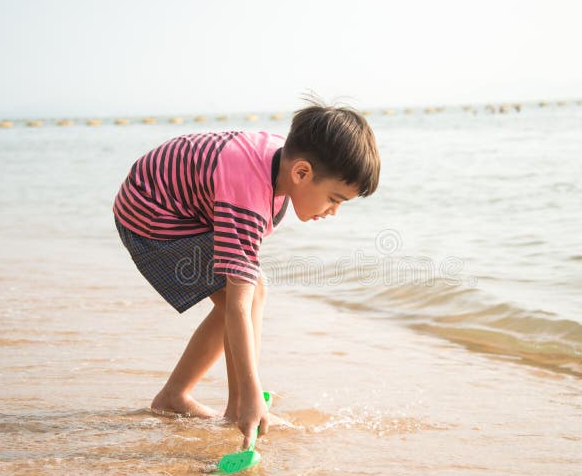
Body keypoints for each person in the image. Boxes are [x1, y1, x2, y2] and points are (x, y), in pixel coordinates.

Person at [112, 99, 381, 448]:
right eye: (335, 198)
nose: (333, 212)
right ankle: (225, 404)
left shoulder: (277, 165)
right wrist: (254, 393)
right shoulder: (248, 197)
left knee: (253, 287)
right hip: (152, 216)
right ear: (301, 173)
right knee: (234, 301)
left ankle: (195, 399)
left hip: (180, 204)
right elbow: (238, 307)